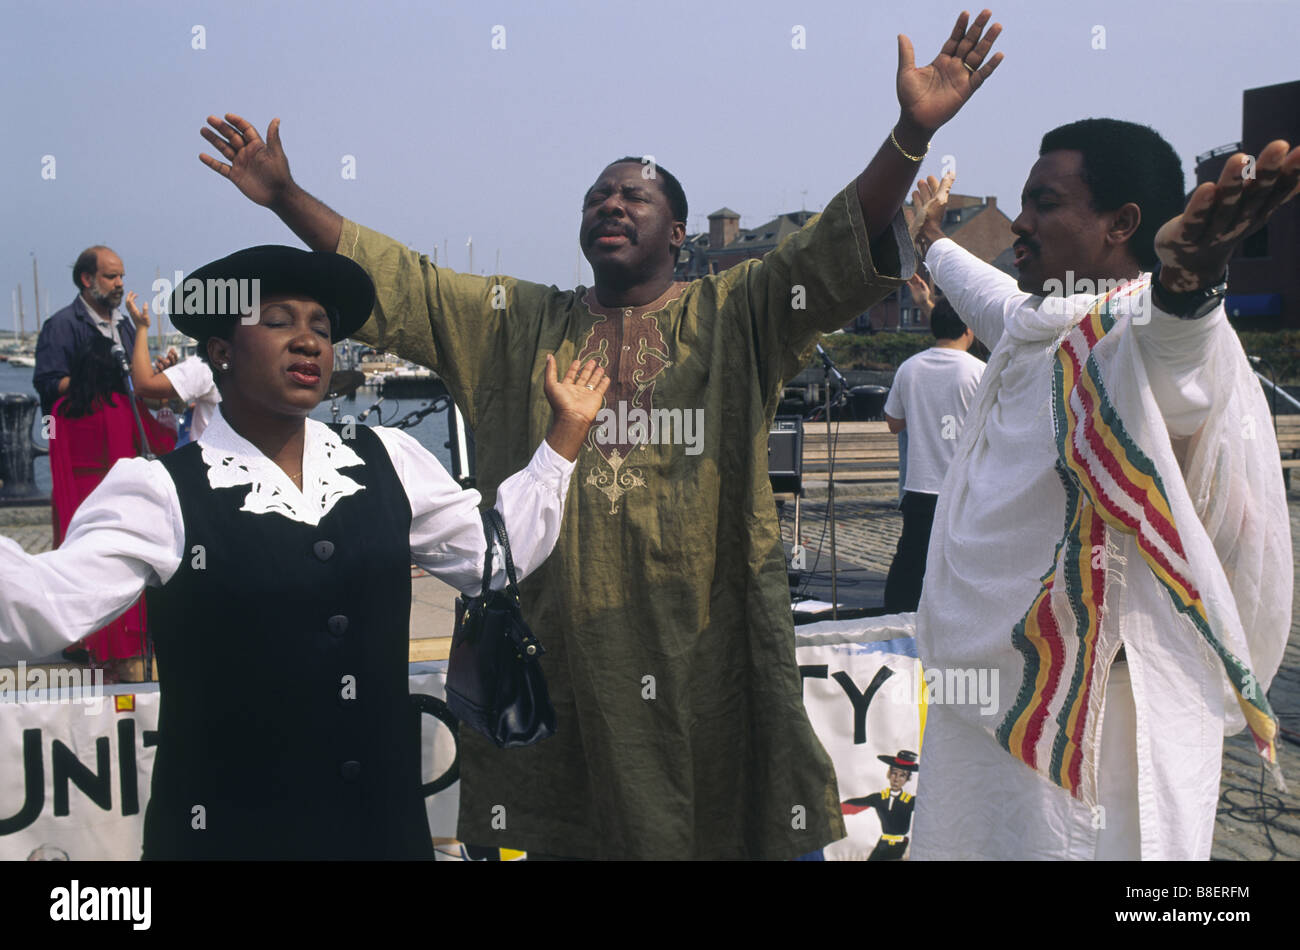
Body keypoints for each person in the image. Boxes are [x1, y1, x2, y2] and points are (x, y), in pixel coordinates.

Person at [197, 12, 1006, 860]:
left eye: (635, 196)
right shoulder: (516, 323)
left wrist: (911, 133)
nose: (611, 204)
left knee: (736, 809)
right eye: (596, 196)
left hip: (708, 643)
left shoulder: (736, 314)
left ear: (680, 234)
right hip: (562, 652)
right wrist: (287, 194)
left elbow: (829, 247)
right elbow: (405, 281)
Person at [0, 245, 608, 859]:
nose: (309, 341)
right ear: (220, 351)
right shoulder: (160, 491)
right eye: (278, 320)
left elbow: (492, 563)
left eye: (321, 327)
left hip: (384, 833)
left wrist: (564, 436)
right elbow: (40, 606)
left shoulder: (387, 460)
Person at [907, 119, 1299, 859]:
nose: (1020, 224)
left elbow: (1179, 352)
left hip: (1099, 722)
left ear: (1121, 224)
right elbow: (975, 282)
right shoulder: (1035, 323)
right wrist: (929, 237)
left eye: (1044, 202)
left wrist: (1194, 279)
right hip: (984, 702)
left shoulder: (1136, 334)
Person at [48, 335, 177, 668]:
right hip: (111, 496)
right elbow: (161, 442)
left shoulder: (60, 410)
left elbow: (55, 458)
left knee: (81, 571)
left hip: (73, 495)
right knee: (117, 566)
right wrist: (165, 406)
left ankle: (87, 644)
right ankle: (125, 652)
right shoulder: (123, 405)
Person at [882, 295, 984, 612]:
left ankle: (896, 631)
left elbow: (894, 423)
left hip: (919, 485)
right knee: (966, 567)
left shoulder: (909, 368)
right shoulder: (979, 372)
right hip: (965, 489)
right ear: (968, 328)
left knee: (910, 567)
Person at [33, 246, 139, 418]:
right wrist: (96, 380)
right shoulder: (60, 326)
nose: (120, 283)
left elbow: (137, 378)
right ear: (87, 279)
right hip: (82, 431)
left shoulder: (124, 325)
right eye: (111, 277)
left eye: (121, 276)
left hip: (124, 429)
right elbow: (46, 383)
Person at [126, 294, 221, 443]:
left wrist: (141, 328)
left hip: (206, 459)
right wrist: (171, 376)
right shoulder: (245, 362)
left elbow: (142, 385)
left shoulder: (206, 366)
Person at [841, 749, 919, 860]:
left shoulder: (910, 801)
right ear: (889, 774)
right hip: (883, 842)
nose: (896, 779)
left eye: (902, 775)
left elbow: (931, 808)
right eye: (894, 773)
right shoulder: (879, 798)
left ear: (907, 779)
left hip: (900, 846)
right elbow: (856, 804)